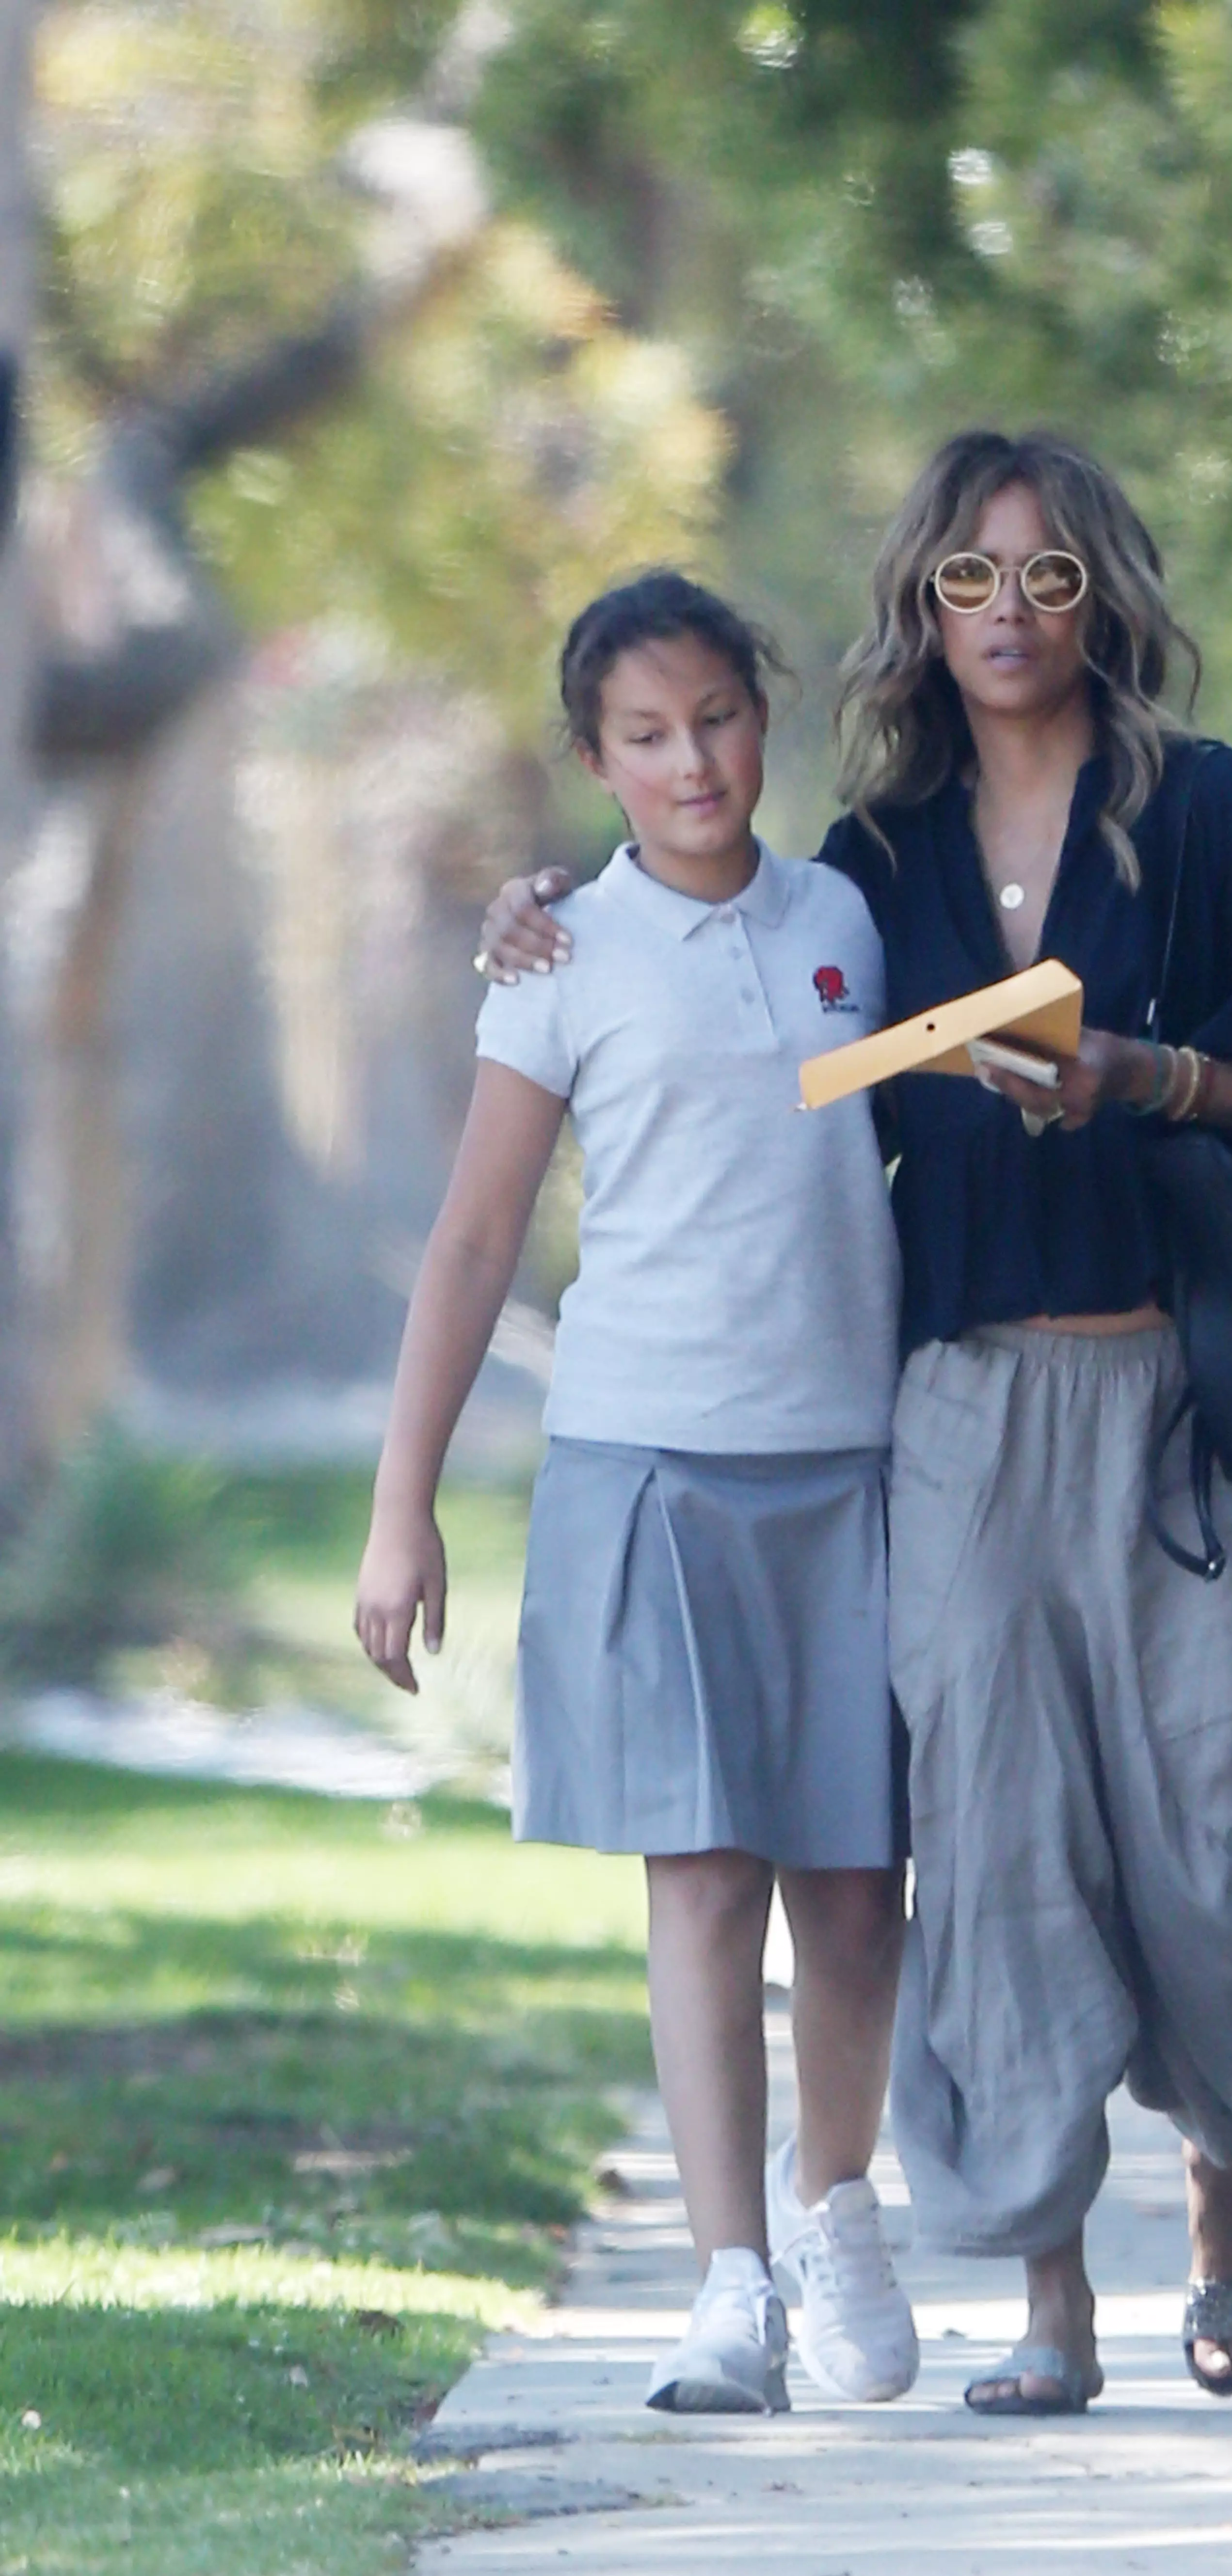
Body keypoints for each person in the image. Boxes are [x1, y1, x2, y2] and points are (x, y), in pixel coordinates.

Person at [481, 432, 1232, 2415]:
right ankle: (1046, 2298)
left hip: (1189, 1404)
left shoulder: (1227, 816)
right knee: (1002, 1848)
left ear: (1106, 595)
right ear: (920, 607)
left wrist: (1150, 1077)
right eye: (966, 582)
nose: (1007, 617)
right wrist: (538, 919)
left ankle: (1229, 2166)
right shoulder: (876, 865)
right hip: (960, 1407)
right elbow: (712, 966)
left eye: (1046, 581)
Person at [356, 570, 919, 2415]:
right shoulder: (559, 957)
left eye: (720, 718)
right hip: (653, 1460)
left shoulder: (849, 915)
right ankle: (727, 2287)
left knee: (854, 1889)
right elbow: (473, 1237)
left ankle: (839, 2222)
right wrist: (401, 1503)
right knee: (704, 1880)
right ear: (596, 763)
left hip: (851, 1463)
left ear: (768, 715)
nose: (695, 761)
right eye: (649, 736)